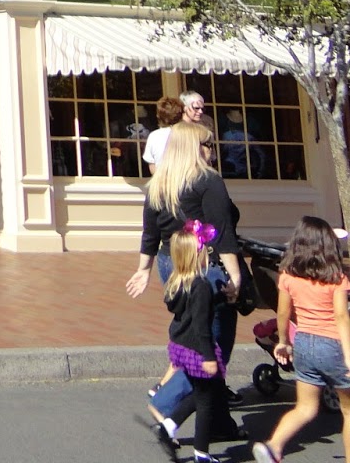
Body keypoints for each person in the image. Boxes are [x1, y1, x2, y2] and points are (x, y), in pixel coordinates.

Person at [125, 121, 243, 451]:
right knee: (214, 345)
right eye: (207, 145)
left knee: (189, 330)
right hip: (205, 265)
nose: (212, 151)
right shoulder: (208, 181)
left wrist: (144, 269)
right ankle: (167, 403)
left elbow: (150, 232)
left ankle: (218, 421)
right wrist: (235, 276)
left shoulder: (159, 182)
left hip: (170, 261)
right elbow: (223, 234)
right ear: (194, 147)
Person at [251, 216, 350, 463]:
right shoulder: (337, 278)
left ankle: (273, 446)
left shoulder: (287, 276)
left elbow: (283, 312)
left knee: (305, 408)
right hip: (334, 345)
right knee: (348, 410)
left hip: (304, 343)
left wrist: (283, 341)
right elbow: (341, 317)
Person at [162, 223, 225, 463]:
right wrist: (209, 357)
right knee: (207, 398)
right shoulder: (200, 286)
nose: (206, 255)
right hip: (198, 350)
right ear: (195, 255)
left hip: (181, 345)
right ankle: (201, 452)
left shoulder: (177, 283)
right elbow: (201, 326)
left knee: (200, 392)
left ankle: (169, 424)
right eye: (204, 251)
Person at [144, 92, 202, 173]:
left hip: (161, 182)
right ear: (181, 113)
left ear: (158, 115)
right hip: (185, 181)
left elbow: (152, 166)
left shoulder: (153, 136)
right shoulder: (189, 134)